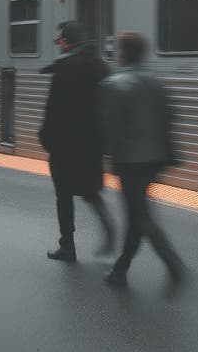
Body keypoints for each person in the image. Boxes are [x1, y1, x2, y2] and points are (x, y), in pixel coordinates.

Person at [100, 32, 185, 290]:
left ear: (123, 53)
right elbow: (171, 114)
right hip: (156, 159)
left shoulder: (114, 84)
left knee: (140, 215)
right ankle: (121, 268)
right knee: (137, 213)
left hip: (130, 160)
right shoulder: (156, 82)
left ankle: (173, 264)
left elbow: (107, 126)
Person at [39, 21, 114, 262]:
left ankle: (68, 246)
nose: (59, 44)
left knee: (64, 195)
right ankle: (108, 228)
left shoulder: (65, 68)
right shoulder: (100, 66)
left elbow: (54, 110)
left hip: (65, 146)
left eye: (60, 39)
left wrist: (47, 139)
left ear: (68, 41)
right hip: (92, 145)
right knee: (90, 192)